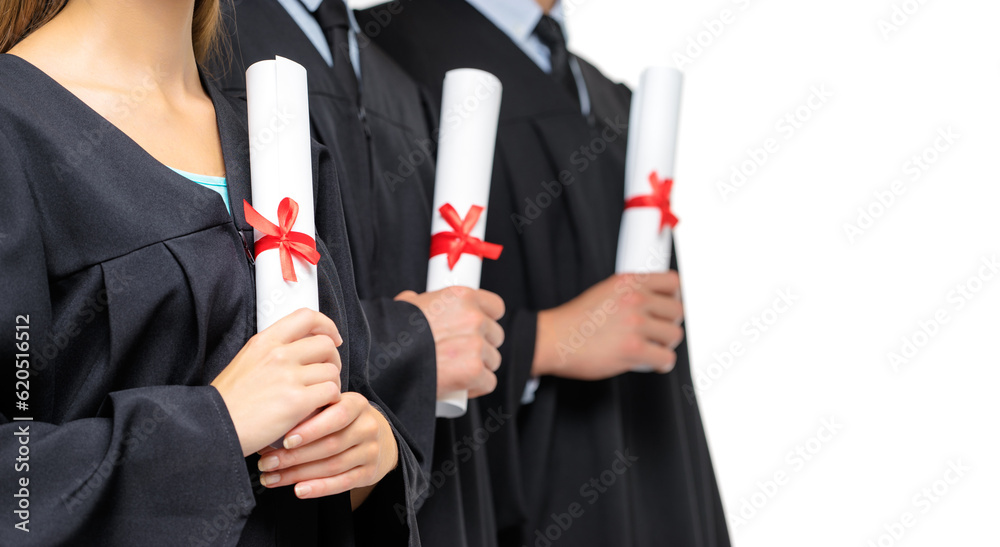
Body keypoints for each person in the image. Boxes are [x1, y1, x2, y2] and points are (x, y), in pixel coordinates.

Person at [0, 0, 421, 545]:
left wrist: (369, 457)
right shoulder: (13, 130)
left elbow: (347, 410)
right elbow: (20, 484)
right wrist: (214, 426)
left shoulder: (279, 146)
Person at [357, 0, 732, 545]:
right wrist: (546, 341)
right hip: (519, 508)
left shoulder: (604, 93)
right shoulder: (383, 53)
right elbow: (363, 328)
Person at [213, 1, 505, 545]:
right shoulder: (206, 41)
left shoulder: (393, 72)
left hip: (421, 483)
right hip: (286, 503)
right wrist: (412, 341)